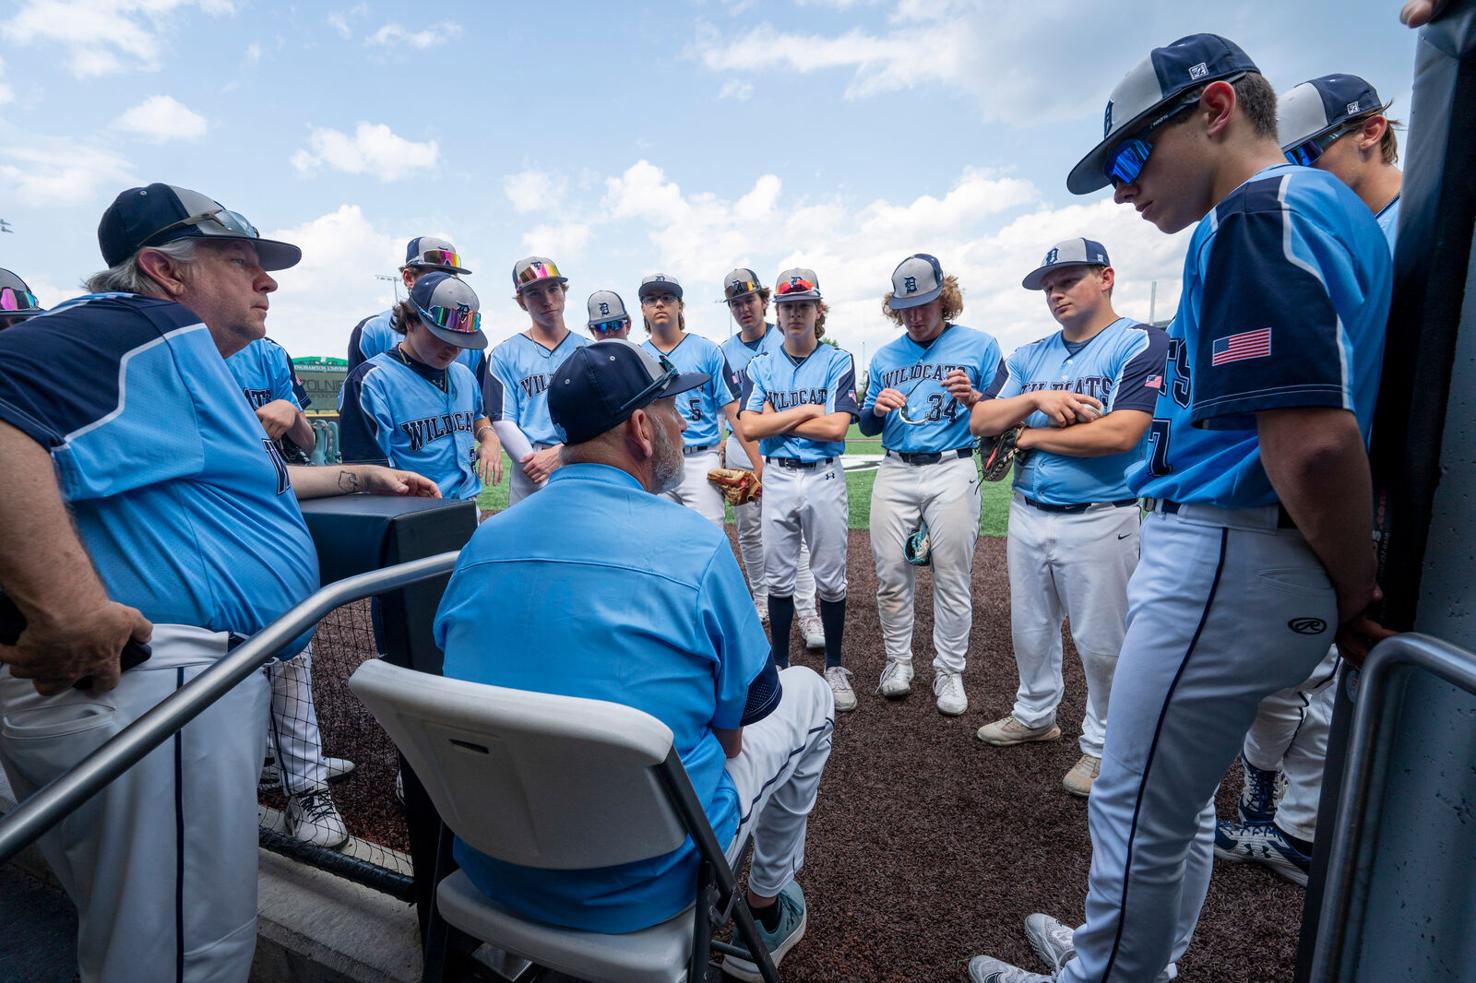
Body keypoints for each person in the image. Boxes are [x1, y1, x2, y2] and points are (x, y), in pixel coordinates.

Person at [967, 34, 1392, 983]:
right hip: (1252, 553)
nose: (1123, 189)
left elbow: (1314, 440)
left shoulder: (1257, 208)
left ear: (1214, 111)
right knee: (1180, 796)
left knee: (1134, 798)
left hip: (1231, 547)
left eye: (1130, 158)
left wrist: (1358, 587)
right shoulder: (1325, 203)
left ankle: (1109, 974)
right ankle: (1125, 955)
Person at [0, 182, 438, 983]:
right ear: (165, 271)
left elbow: (241, 478)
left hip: (164, 689)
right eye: (242, 262)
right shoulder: (138, 327)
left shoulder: (173, 354)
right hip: (154, 684)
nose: (266, 280)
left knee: (149, 937)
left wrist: (353, 477)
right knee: (184, 955)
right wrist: (66, 607)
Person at [435, 338, 834, 980]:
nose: (683, 421)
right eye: (673, 408)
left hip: (491, 862)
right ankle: (763, 908)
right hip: (645, 884)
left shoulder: (483, 543)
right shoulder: (696, 545)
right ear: (641, 429)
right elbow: (734, 739)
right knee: (809, 695)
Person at [1214, 73, 1405, 885]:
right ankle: (1276, 812)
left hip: (1374, 483)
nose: (1288, 172)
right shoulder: (1363, 223)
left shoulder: (1408, 224)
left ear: (1370, 131)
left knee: (1340, 673)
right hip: (1361, 476)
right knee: (1303, 677)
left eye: (1304, 152)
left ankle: (1297, 828)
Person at [969, 240, 1167, 796]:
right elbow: (982, 419)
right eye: (1049, 285)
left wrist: (1026, 434)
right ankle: (1035, 715)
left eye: (1069, 280)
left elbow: (1122, 432)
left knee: (1104, 642)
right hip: (1030, 511)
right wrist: (1039, 397)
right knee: (1029, 627)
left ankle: (1104, 746)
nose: (1056, 293)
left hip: (1103, 515)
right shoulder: (1032, 354)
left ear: (1106, 277)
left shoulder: (1139, 341)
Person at [225, 336, 357, 848]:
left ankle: (299, 777)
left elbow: (303, 442)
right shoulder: (168, 347)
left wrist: (288, 410)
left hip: (274, 501)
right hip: (215, 513)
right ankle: (290, 774)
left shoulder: (265, 350)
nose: (264, 286)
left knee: (289, 647)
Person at [862, 254, 1003, 716]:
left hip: (953, 465)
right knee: (889, 574)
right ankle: (898, 662)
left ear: (944, 298)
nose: (915, 316)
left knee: (952, 575)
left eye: (923, 303)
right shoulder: (885, 356)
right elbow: (865, 426)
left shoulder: (980, 345)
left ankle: (949, 670)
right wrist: (876, 409)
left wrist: (978, 397)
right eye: (906, 307)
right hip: (897, 467)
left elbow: (1005, 411)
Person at [741, 268, 861, 711]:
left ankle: (834, 664)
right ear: (778, 311)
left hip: (823, 474)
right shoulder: (761, 365)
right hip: (777, 474)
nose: (795, 313)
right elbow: (750, 427)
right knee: (778, 575)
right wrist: (809, 410)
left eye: (803, 305)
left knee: (830, 577)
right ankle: (780, 664)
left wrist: (783, 416)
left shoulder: (837, 359)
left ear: (818, 310)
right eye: (788, 306)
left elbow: (835, 429)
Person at [719, 268, 825, 643]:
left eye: (748, 299)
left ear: (765, 301)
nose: (743, 308)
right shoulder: (724, 352)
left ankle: (808, 611)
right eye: (735, 303)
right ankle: (760, 597)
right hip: (740, 449)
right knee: (749, 529)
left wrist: (766, 446)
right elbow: (734, 413)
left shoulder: (788, 337)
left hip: (782, 448)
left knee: (794, 533)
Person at [338, 272, 500, 502]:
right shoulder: (370, 382)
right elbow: (366, 476)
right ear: (411, 321)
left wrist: (489, 437)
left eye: (460, 340)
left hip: (467, 505)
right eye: (441, 336)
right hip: (410, 515)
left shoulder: (463, 375)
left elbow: (477, 415)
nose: (453, 349)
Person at [638, 273, 757, 525]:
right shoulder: (636, 356)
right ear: (643, 309)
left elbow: (733, 408)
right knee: (659, 544)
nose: (659, 304)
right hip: (656, 462)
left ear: (680, 305)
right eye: (651, 299)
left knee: (709, 539)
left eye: (667, 297)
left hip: (700, 459)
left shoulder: (707, 350)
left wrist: (759, 464)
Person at [485, 256, 590, 505]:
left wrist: (563, 453)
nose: (547, 299)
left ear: (563, 292)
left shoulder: (589, 351)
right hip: (529, 462)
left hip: (581, 456)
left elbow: (601, 417)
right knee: (530, 540)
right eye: (534, 293)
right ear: (521, 302)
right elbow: (502, 421)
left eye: (553, 288)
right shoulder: (504, 353)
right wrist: (538, 469)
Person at [347, 236, 485, 381]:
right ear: (408, 277)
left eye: (451, 275)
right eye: (435, 275)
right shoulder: (373, 331)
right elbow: (357, 392)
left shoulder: (468, 336)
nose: (444, 283)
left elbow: (480, 398)